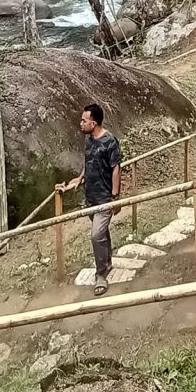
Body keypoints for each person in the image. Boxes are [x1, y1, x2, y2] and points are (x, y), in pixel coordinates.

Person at [57, 102, 122, 296]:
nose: (80, 123)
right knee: (101, 233)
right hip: (91, 197)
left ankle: (101, 274)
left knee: (96, 236)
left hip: (105, 198)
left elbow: (116, 168)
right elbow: (90, 161)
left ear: (93, 123)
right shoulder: (89, 142)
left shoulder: (110, 141)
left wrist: (115, 197)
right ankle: (108, 261)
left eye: (83, 120)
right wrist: (80, 177)